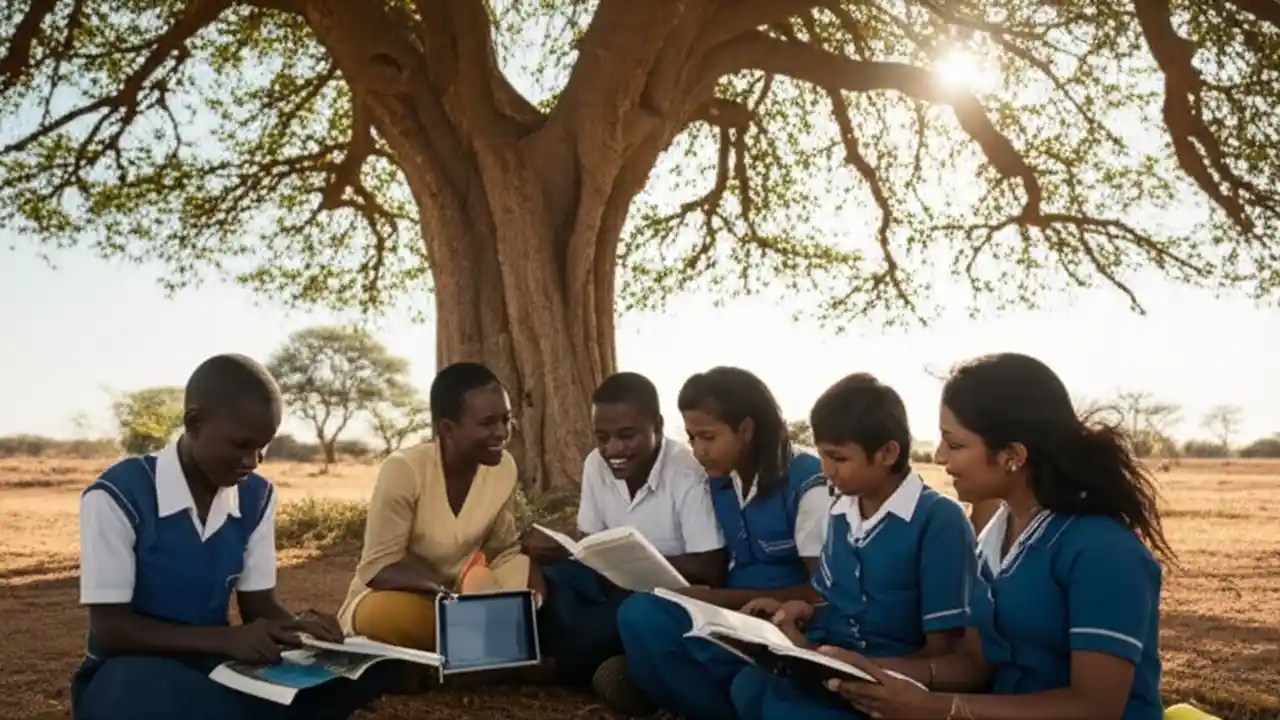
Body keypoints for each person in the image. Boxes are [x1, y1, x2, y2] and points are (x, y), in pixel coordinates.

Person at [822, 353, 1173, 720]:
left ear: (1012, 455)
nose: (940, 456)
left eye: (955, 444)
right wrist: (868, 670)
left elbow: (1094, 707)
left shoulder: (1102, 551)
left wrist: (937, 709)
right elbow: (976, 663)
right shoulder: (997, 535)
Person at [71, 354, 390, 720]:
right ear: (194, 423)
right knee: (141, 690)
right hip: (132, 671)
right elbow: (111, 629)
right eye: (242, 444)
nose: (253, 461)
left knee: (355, 679)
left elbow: (259, 607)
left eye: (263, 447)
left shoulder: (256, 497)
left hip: (214, 666)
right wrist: (224, 640)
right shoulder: (118, 496)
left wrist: (304, 631)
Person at [728, 373, 978, 719]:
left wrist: (845, 665)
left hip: (892, 679)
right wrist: (802, 611)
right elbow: (833, 601)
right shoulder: (841, 511)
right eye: (822, 456)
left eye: (839, 459)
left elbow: (945, 648)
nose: (827, 470)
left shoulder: (937, 519)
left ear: (887, 453)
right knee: (748, 687)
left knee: (788, 709)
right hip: (835, 660)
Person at [604, 366, 830, 718]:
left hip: (784, 624)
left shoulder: (807, 484)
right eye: (692, 438)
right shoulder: (718, 481)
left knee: (744, 675)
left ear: (746, 430)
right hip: (729, 617)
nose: (697, 451)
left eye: (707, 437)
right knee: (640, 615)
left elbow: (820, 595)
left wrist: (720, 600)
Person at [528, 371, 724, 686]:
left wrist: (638, 568)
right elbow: (590, 539)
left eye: (626, 435)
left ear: (657, 427)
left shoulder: (686, 472)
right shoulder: (596, 464)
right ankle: (602, 660)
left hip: (660, 593)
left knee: (629, 612)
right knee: (555, 584)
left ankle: (566, 663)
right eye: (602, 437)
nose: (613, 450)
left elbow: (710, 568)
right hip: (606, 583)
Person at [338, 362, 543, 654]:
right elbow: (379, 567)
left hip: (471, 591)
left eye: (506, 420)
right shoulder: (404, 470)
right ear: (448, 429)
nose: (501, 432)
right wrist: (447, 594)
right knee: (381, 614)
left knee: (528, 580)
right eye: (487, 423)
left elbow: (503, 549)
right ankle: (490, 645)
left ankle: (464, 648)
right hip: (413, 595)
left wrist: (532, 589)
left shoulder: (503, 468)